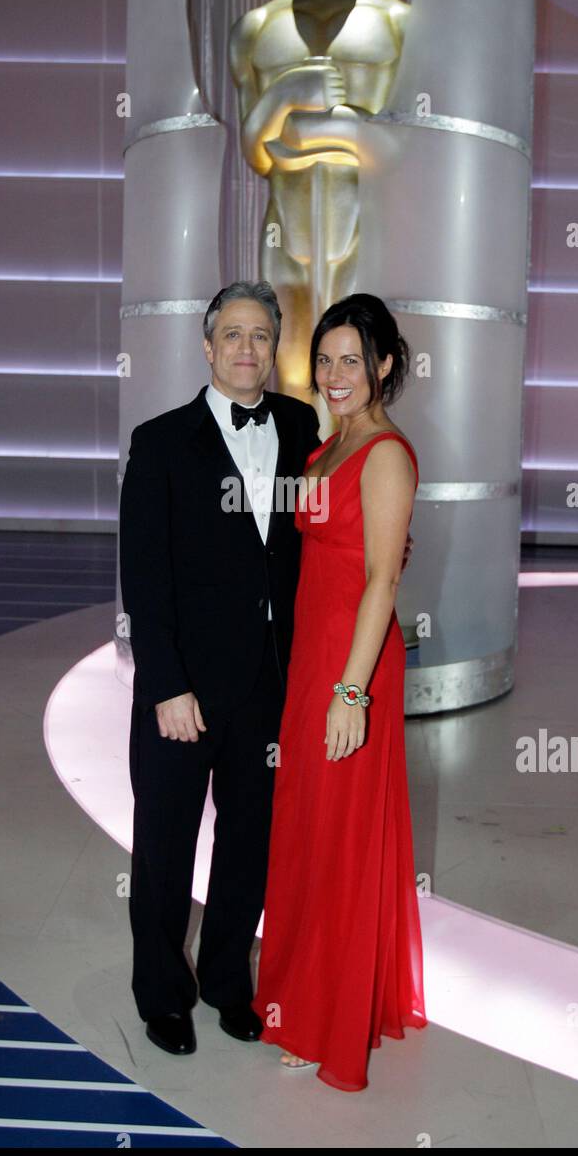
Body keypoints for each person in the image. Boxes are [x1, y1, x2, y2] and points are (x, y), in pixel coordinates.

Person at [118, 280, 320, 1055]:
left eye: (261, 336)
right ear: (207, 348)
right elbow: (145, 573)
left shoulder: (300, 425)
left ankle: (229, 982)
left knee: (249, 839)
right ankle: (162, 992)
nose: (246, 349)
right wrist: (165, 683)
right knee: (165, 844)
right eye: (232, 335)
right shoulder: (161, 440)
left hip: (269, 683)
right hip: (185, 689)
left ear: (275, 348)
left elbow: (308, 543)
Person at [252, 292, 428, 1091]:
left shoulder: (385, 453)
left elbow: (381, 580)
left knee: (339, 837)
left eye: (350, 360)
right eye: (324, 359)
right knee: (307, 829)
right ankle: (301, 995)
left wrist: (348, 695)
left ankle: (329, 1018)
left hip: (349, 667)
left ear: (384, 366)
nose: (333, 373)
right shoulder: (329, 445)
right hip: (310, 661)